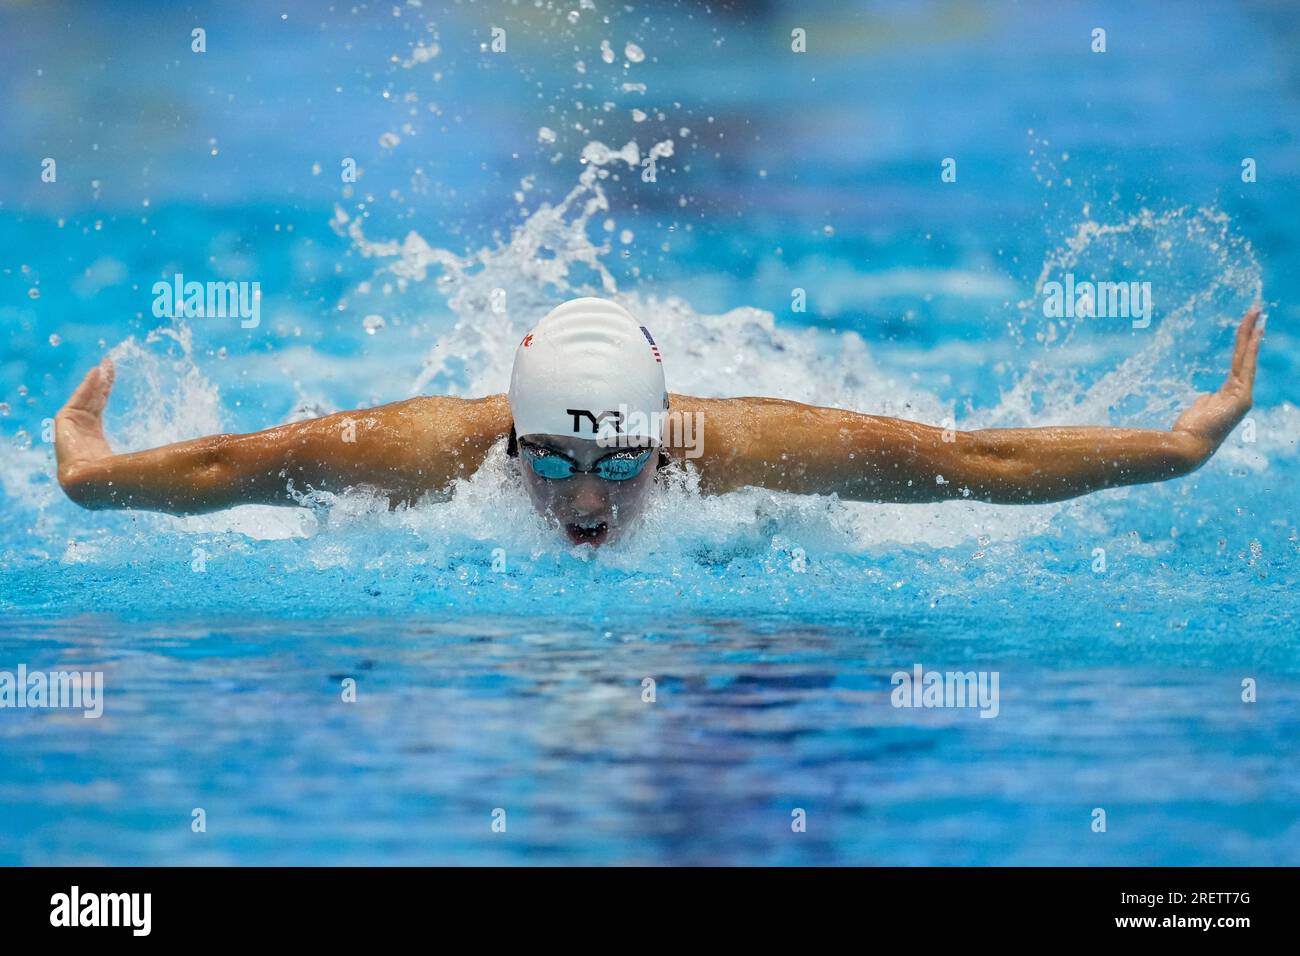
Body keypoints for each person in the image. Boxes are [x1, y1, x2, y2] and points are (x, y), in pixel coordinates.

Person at [54, 297, 1264, 547]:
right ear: (511, 438)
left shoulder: (729, 445)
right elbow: (225, 462)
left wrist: (1176, 445)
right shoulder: (431, 451)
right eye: (559, 462)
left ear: (665, 432)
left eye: (622, 457)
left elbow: (969, 459)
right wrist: (87, 472)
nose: (588, 499)